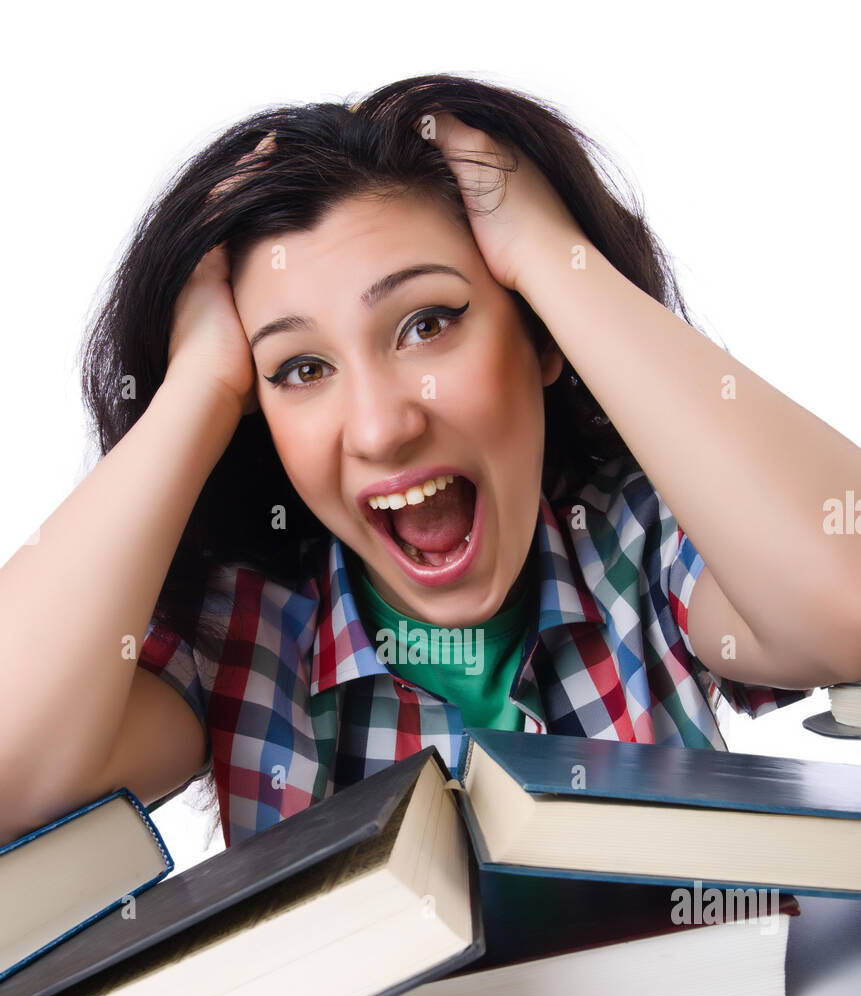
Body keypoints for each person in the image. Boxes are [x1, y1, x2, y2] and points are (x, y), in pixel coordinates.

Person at [2, 73, 859, 851]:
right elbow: (13, 776)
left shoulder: (644, 541)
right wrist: (195, 384)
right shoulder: (239, 635)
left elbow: (846, 604)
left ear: (539, 335)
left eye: (428, 323)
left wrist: (547, 257)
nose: (380, 429)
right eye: (300, 369)